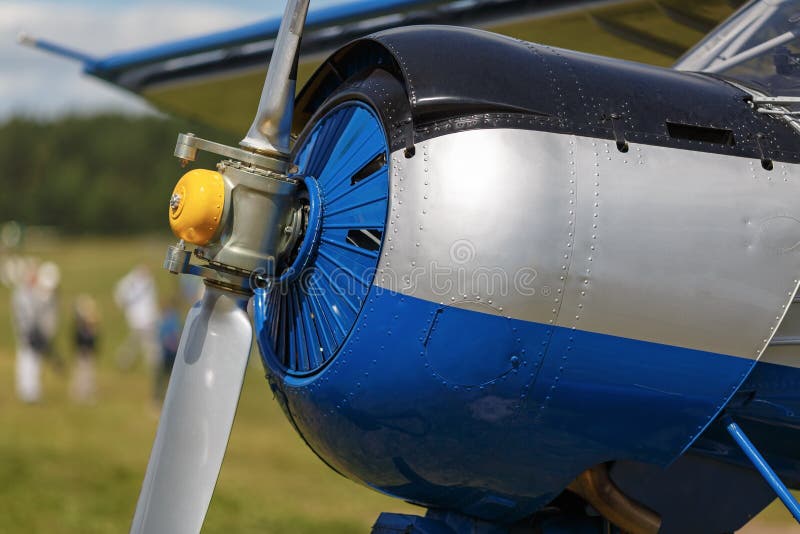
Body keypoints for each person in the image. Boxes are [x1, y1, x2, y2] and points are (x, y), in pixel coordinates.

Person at [113, 264, 159, 370]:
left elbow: (151, 301)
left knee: (148, 344)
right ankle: (123, 360)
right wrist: (122, 304)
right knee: (137, 343)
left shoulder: (149, 282)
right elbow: (119, 292)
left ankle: (153, 364)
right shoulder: (130, 281)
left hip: (148, 319)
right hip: (137, 319)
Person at [11, 264, 43, 403]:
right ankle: (26, 390)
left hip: (33, 333)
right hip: (25, 334)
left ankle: (33, 389)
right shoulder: (21, 295)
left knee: (34, 361)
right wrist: (27, 332)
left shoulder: (33, 293)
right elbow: (23, 316)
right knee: (26, 361)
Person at [71, 294, 99, 403]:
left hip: (88, 353)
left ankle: (86, 392)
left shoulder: (88, 327)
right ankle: (81, 393)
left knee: (88, 374)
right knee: (83, 374)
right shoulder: (80, 327)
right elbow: (80, 341)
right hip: (83, 353)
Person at [155, 298, 182, 403]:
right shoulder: (170, 319)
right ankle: (159, 397)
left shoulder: (170, 319)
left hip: (170, 354)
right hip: (167, 354)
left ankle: (164, 397)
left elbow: (175, 335)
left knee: (167, 377)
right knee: (163, 377)